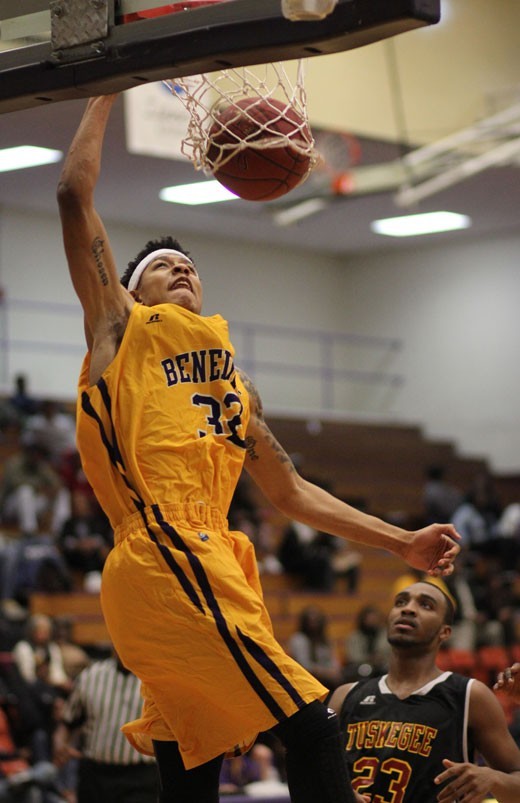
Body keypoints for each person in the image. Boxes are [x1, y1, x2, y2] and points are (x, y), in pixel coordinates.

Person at [56, 93, 461, 803]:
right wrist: (108, 89)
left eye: (188, 263)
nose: (180, 269)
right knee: (313, 726)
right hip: (163, 553)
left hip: (207, 558)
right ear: (129, 289)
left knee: (193, 758)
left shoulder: (232, 385)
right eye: (162, 264)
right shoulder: (120, 329)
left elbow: (292, 492)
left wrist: (399, 542)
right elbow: (71, 193)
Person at [329, 581, 520, 803]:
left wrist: (493, 778)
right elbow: (312, 776)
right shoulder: (346, 696)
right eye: (400, 602)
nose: (408, 609)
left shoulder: (469, 695)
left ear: (444, 632)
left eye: (426, 605)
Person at [53, 649, 158, 803]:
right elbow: (68, 721)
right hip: (96, 775)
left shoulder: (156, 678)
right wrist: (59, 743)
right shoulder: (91, 676)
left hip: (140, 776)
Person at [288, 605, 343, 690]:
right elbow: (304, 665)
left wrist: (335, 670)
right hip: (307, 679)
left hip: (329, 677)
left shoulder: (326, 639)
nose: (313, 623)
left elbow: (333, 659)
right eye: (310, 620)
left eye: (316, 620)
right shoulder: (298, 639)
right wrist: (326, 673)